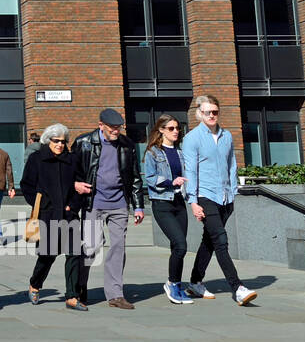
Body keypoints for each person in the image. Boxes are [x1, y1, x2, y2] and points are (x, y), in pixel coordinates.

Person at [182, 95, 257, 305]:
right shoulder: (192, 138)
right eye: (207, 112)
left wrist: (233, 191)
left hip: (225, 197)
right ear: (199, 113)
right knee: (221, 241)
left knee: (210, 240)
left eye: (215, 112)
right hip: (205, 195)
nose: (212, 115)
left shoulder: (226, 136)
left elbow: (232, 164)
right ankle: (238, 288)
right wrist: (193, 201)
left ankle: (195, 282)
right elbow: (191, 172)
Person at [69, 108, 145, 309]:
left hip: (119, 203)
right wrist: (75, 185)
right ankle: (79, 289)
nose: (116, 131)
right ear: (100, 125)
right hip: (92, 203)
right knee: (90, 248)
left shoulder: (127, 144)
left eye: (118, 127)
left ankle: (115, 294)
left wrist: (138, 207)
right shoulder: (83, 143)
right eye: (112, 127)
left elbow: (135, 176)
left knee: (118, 246)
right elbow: (69, 171)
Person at [20, 125, 86, 311]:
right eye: (56, 141)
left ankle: (72, 296)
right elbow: (26, 186)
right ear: (48, 141)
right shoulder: (36, 159)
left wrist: (72, 205)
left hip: (69, 214)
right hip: (47, 215)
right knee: (48, 255)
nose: (60, 144)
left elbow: (78, 186)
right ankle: (35, 284)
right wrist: (41, 203)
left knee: (73, 253)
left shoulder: (72, 159)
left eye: (63, 141)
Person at [142, 114, 192, 304]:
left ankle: (177, 285)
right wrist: (171, 182)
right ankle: (172, 284)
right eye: (171, 128)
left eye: (177, 128)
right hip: (162, 203)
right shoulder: (153, 152)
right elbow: (150, 178)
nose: (176, 132)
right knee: (181, 244)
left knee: (178, 248)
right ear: (161, 130)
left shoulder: (180, 153)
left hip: (179, 203)